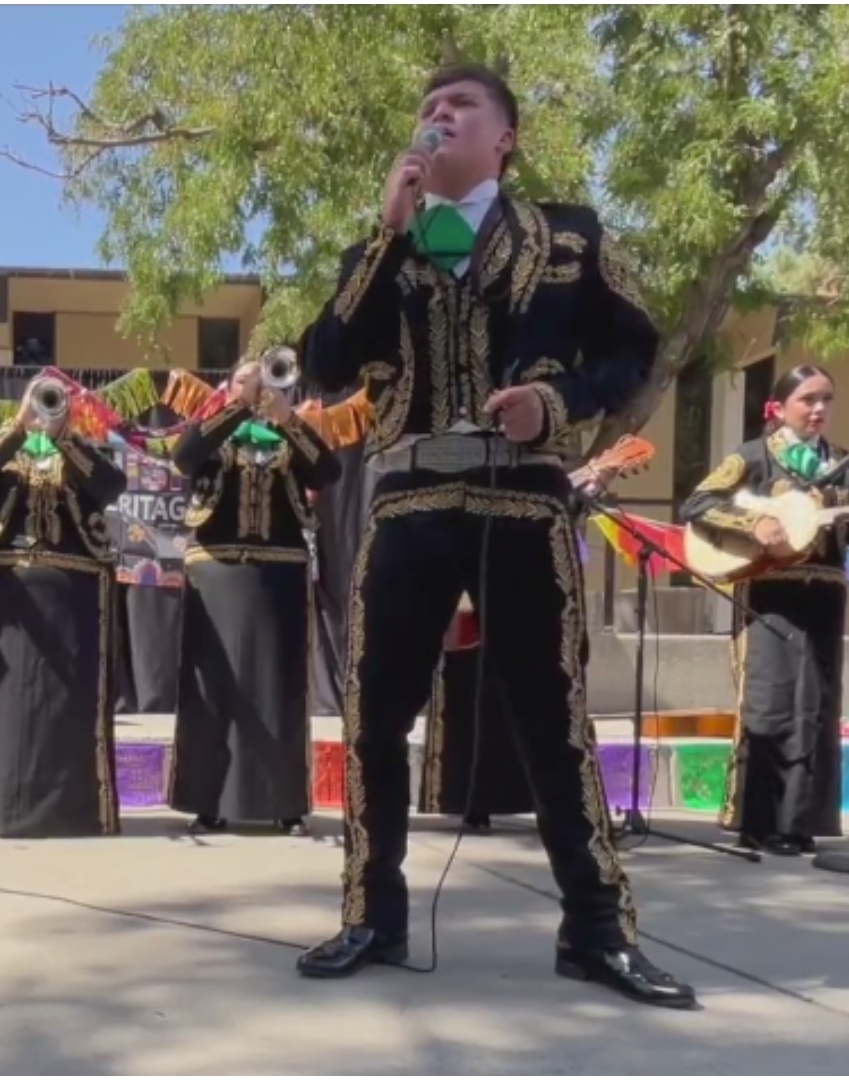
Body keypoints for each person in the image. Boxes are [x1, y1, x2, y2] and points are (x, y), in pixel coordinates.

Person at [294, 61, 694, 1007]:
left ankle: (597, 931)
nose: (437, 120)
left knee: (553, 718)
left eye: (459, 108)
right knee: (376, 718)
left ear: (504, 137)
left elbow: (637, 348)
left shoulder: (571, 235)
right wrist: (386, 237)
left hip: (524, 496)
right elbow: (321, 367)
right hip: (409, 501)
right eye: (428, 110)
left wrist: (558, 402)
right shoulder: (378, 250)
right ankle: (371, 916)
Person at [679, 365, 849, 858]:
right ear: (779, 407)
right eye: (807, 399)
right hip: (768, 595)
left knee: (812, 708)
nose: (818, 408)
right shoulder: (752, 456)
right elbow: (697, 503)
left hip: (824, 594)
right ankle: (757, 822)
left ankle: (798, 824)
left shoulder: (848, 466)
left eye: (826, 399)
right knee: (770, 704)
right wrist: (755, 523)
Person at [0, 379, 129, 838]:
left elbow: (111, 486)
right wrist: (19, 425)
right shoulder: (5, 443)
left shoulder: (80, 448)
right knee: (3, 702)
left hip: (73, 594)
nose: (48, 407)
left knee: (64, 704)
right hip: (7, 592)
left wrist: (65, 437)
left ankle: (69, 810)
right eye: (40, 399)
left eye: (54, 401)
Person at [168, 355, 341, 837]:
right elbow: (185, 457)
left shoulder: (287, 429)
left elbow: (326, 473)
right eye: (245, 380)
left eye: (261, 381)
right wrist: (236, 407)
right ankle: (208, 802)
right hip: (216, 568)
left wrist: (287, 419)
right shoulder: (214, 424)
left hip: (279, 571)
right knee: (214, 693)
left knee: (276, 687)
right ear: (229, 385)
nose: (255, 387)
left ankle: (283, 803)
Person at [420, 458, 619, 828]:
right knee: (476, 697)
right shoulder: (462, 463)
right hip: (475, 585)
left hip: (532, 590)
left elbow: (559, 514)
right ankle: (473, 802)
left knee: (545, 700)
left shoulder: (541, 467)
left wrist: (591, 488)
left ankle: (557, 808)